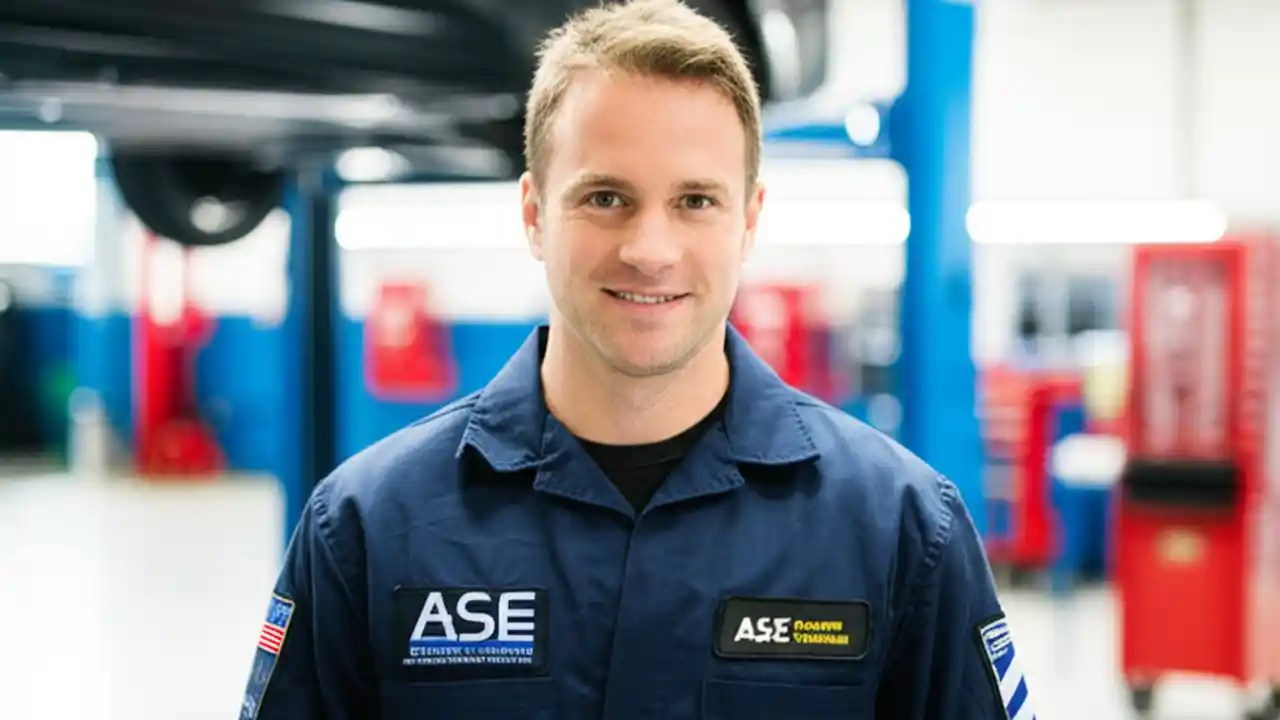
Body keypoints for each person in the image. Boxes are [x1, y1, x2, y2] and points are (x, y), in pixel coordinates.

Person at [239, 1, 1035, 718]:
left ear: (748, 220)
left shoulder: (898, 529)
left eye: (695, 201)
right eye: (605, 197)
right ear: (534, 214)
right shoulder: (370, 527)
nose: (649, 250)